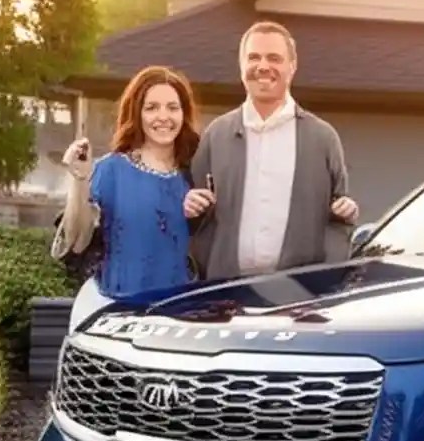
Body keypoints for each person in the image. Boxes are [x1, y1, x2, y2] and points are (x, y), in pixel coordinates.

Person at [183, 20, 359, 280]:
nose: (263, 66)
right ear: (241, 65)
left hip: (298, 298)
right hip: (225, 297)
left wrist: (322, 279)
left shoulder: (322, 138)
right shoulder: (216, 135)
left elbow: (339, 218)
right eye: (254, 57)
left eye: (274, 58)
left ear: (292, 66)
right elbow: (195, 217)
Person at [51, 65, 205, 297]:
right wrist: (79, 180)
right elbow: (76, 241)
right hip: (121, 312)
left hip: (181, 316)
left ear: (184, 114)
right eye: (152, 108)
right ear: (136, 113)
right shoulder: (111, 170)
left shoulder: (196, 172)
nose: (163, 117)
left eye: (173, 107)